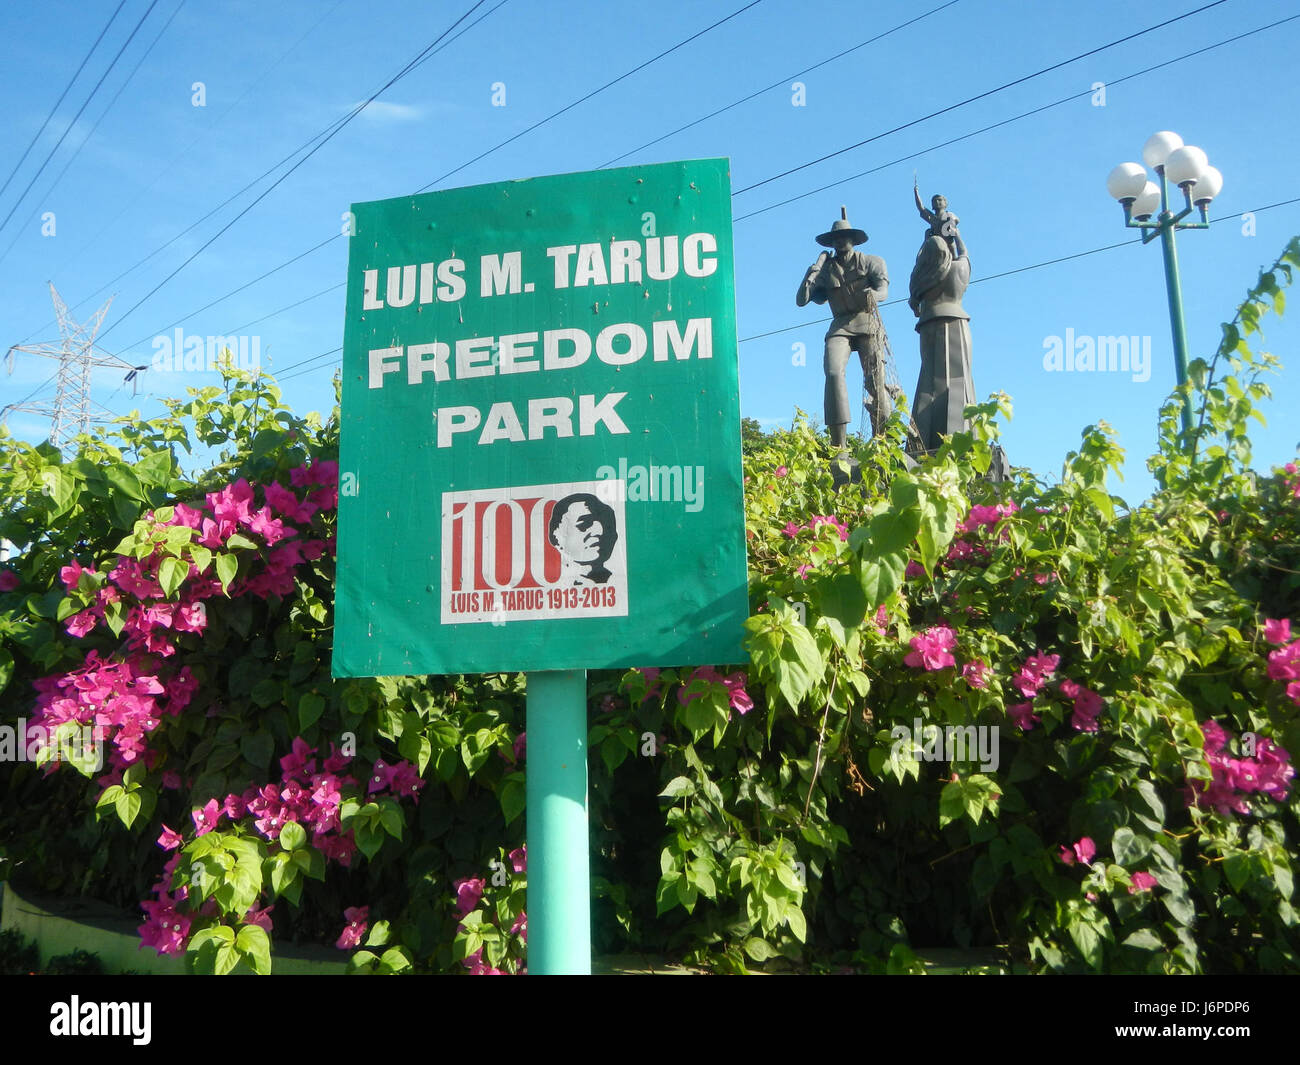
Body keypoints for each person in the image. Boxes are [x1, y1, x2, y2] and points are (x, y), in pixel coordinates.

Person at [795, 208, 892, 451]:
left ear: (853, 239)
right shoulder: (826, 270)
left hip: (867, 322)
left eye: (845, 236)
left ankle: (884, 439)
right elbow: (802, 300)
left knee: (874, 381)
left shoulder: (872, 262)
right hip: (840, 326)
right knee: (833, 373)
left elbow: (884, 290)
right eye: (836, 238)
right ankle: (839, 445)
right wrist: (813, 270)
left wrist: (876, 294)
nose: (840, 241)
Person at [548, 493, 617, 586]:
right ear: (556, 538)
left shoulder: (620, 582)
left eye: (606, 525)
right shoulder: (553, 585)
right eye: (585, 524)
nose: (599, 531)